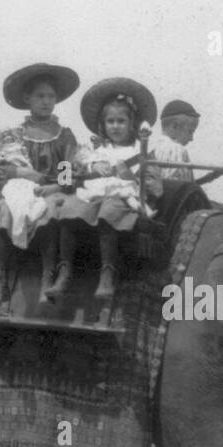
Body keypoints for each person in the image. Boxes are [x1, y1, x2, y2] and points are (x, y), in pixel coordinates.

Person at [0, 62, 94, 312]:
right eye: (40, 96)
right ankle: (0, 282)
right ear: (27, 98)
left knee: (52, 211)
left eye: (51, 96)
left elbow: (68, 172)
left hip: (52, 192)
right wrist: (22, 172)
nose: (46, 101)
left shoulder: (64, 136)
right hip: (20, 190)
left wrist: (54, 187)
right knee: (4, 209)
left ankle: (47, 278)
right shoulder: (14, 136)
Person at [73, 77, 163, 302]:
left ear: (132, 124)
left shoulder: (141, 151)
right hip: (94, 196)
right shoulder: (94, 150)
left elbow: (155, 188)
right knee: (71, 208)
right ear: (103, 125)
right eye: (110, 121)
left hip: (126, 200)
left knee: (110, 208)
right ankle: (63, 271)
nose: (115, 126)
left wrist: (131, 175)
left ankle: (108, 272)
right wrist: (93, 165)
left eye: (121, 121)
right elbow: (70, 173)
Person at [150, 99, 201, 181]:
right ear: (175, 126)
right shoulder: (176, 149)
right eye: (190, 131)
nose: (191, 139)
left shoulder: (152, 147)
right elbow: (176, 188)